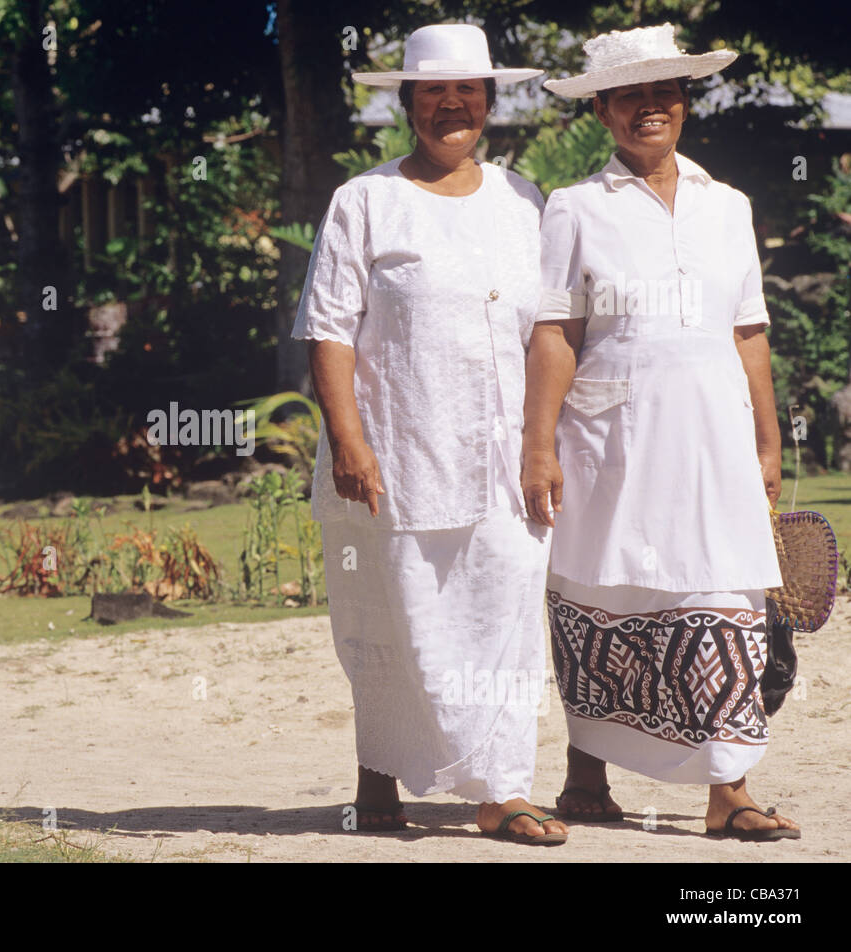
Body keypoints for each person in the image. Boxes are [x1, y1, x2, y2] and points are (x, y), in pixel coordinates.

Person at [523, 23, 799, 840]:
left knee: (723, 593)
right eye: (631, 94)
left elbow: (749, 329)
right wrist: (539, 446)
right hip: (610, 439)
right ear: (603, 110)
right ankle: (584, 779)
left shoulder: (729, 206)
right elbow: (553, 332)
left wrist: (769, 437)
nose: (651, 106)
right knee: (600, 590)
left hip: (714, 436)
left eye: (665, 91)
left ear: (685, 102)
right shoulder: (574, 208)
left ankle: (730, 792)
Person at [294, 24, 566, 844]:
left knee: (505, 609)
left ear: (488, 102)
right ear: (408, 103)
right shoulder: (365, 200)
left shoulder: (526, 201)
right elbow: (328, 331)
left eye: (469, 93)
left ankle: (502, 790)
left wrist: (540, 442)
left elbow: (551, 332)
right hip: (395, 450)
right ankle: (378, 775)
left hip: (502, 458)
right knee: (388, 614)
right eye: (435, 93)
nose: (453, 105)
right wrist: (349, 439)